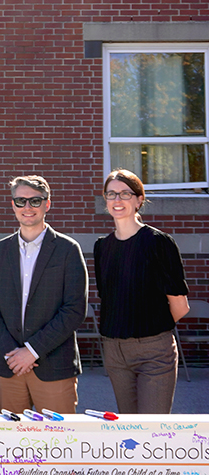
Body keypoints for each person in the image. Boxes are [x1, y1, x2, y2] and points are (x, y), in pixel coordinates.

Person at [0, 175, 87, 414]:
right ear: (13, 205)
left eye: (35, 201)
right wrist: (12, 353)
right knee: (12, 437)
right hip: (10, 366)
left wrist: (32, 351)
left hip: (53, 366)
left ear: (47, 204)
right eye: (21, 201)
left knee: (58, 436)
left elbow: (74, 309)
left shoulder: (68, 250)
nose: (27, 207)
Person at [94, 169, 190, 414]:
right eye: (111, 194)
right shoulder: (102, 247)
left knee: (151, 427)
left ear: (139, 200)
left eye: (125, 194)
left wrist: (149, 331)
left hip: (153, 351)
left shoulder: (158, 242)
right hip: (115, 353)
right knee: (128, 426)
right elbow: (109, 299)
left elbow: (180, 306)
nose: (117, 200)